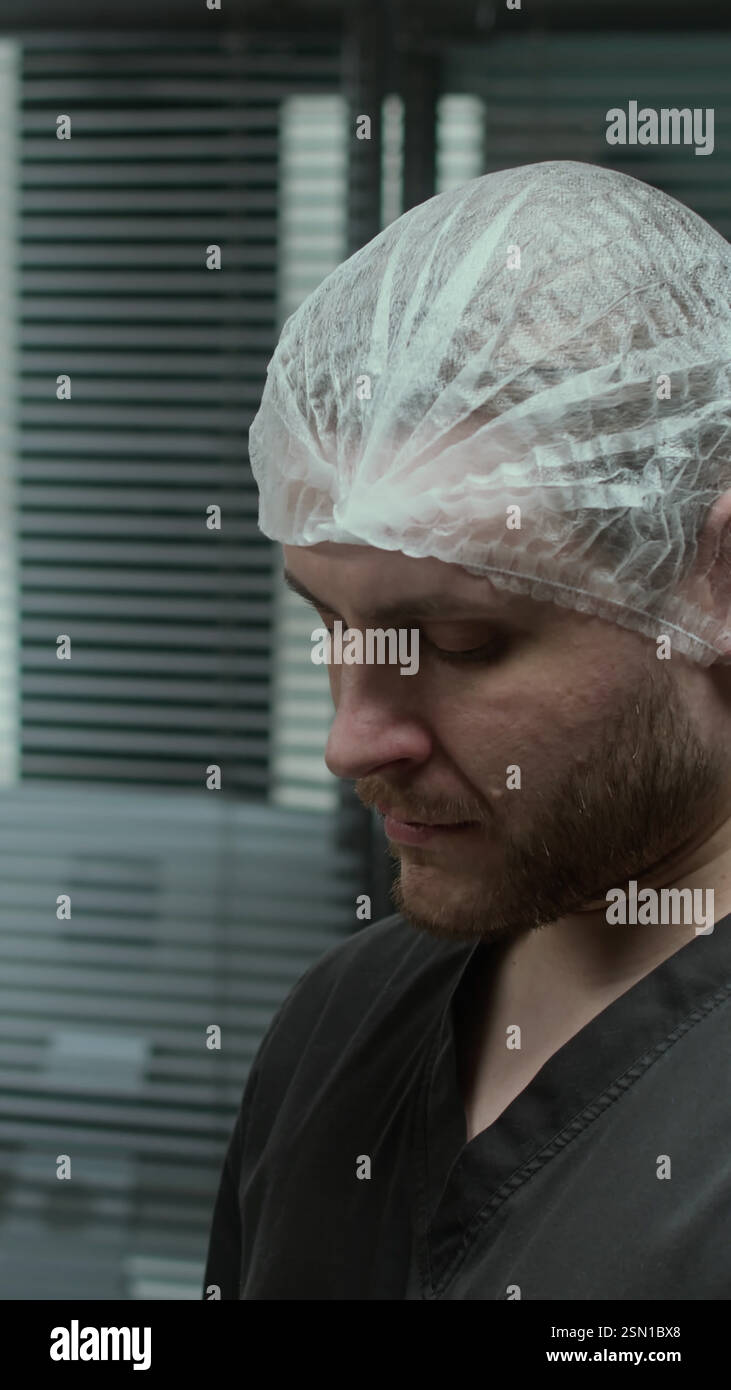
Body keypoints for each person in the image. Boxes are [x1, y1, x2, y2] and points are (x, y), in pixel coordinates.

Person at [203, 161, 731, 1300]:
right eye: (326, 623)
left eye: (456, 641)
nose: (349, 742)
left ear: (711, 581)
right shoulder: (337, 1026)